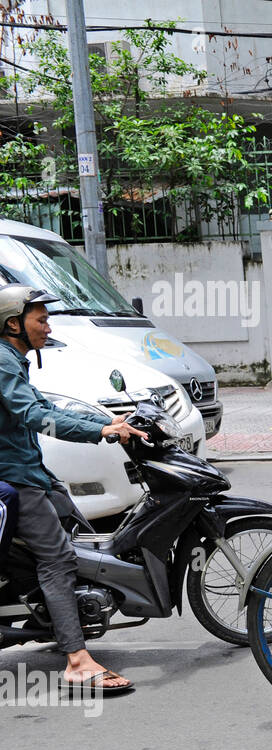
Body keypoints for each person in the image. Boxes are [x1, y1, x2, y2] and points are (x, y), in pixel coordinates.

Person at [0, 284, 146, 693]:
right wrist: (101, 431)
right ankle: (77, 662)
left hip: (34, 473)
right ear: (14, 323)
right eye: (40, 320)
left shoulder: (13, 361)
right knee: (58, 559)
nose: (48, 327)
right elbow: (33, 415)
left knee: (74, 527)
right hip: (16, 479)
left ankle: (43, 618)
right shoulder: (2, 361)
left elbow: (45, 406)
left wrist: (108, 420)